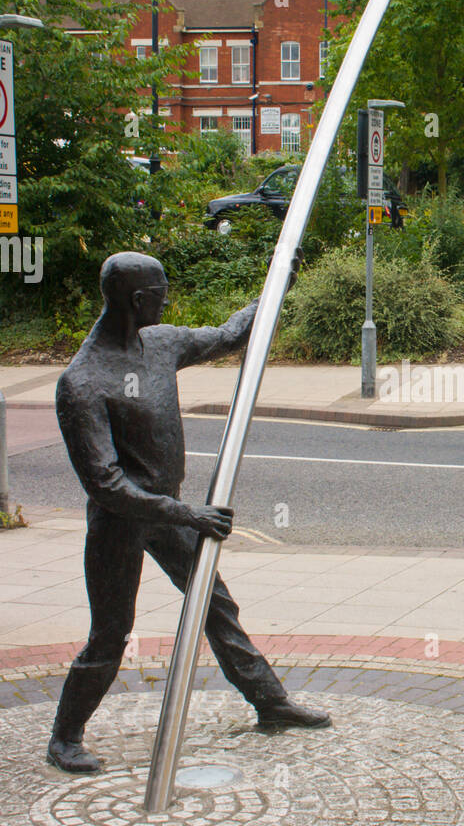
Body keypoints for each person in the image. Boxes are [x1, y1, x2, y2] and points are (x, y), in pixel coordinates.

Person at [49, 251, 330, 775]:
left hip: (171, 514)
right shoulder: (83, 382)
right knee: (111, 632)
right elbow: (106, 485)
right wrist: (187, 514)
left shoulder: (160, 344)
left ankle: (269, 701)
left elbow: (228, 335)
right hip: (120, 523)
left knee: (216, 605)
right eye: (161, 291)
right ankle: (65, 737)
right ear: (138, 300)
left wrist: (278, 284)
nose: (168, 298)